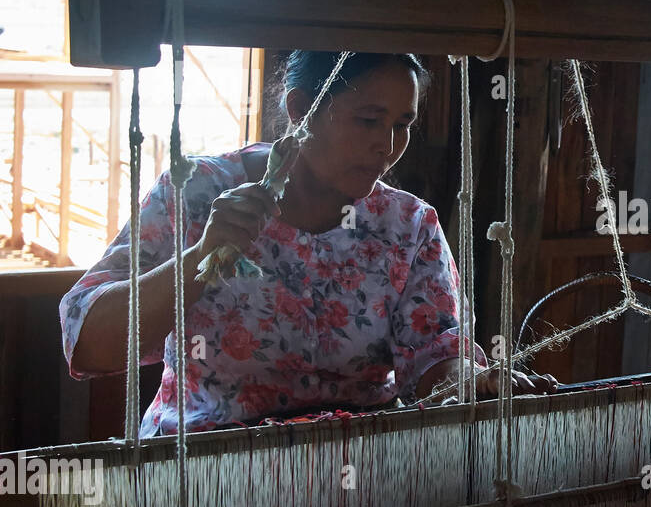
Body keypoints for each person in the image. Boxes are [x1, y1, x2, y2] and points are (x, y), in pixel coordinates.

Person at [60, 50, 555, 436]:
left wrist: (473, 381)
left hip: (355, 479)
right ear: (302, 108)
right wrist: (200, 259)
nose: (386, 145)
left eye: (402, 124)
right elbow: (88, 346)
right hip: (205, 479)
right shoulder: (196, 194)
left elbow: (436, 356)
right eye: (368, 120)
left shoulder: (406, 225)